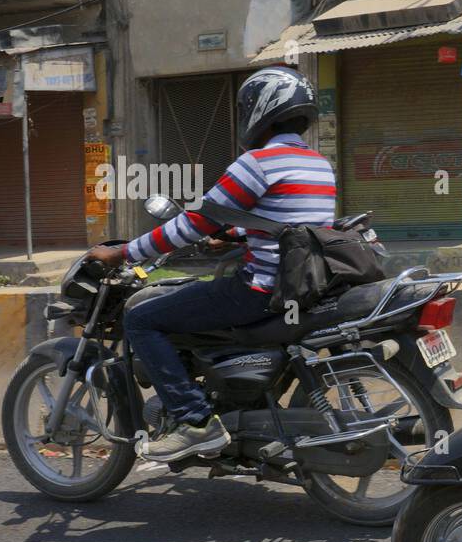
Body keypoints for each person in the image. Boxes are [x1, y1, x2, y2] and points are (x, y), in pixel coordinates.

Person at [85, 66, 336, 463]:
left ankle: (194, 421)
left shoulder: (258, 162)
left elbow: (196, 221)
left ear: (261, 110)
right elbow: (291, 226)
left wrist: (124, 253)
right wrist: (235, 238)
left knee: (142, 320)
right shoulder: (317, 164)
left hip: (261, 290)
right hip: (300, 286)